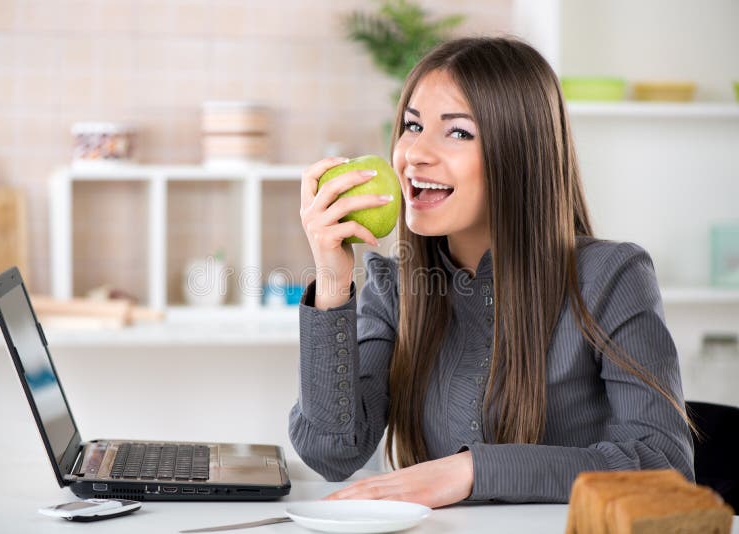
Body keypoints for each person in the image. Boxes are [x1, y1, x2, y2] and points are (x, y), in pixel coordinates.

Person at [289, 36, 694, 507]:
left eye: (458, 133)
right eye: (412, 126)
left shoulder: (611, 277)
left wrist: (473, 470)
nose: (415, 154)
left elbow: (664, 463)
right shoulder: (396, 287)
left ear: (521, 152)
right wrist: (333, 283)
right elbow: (331, 452)